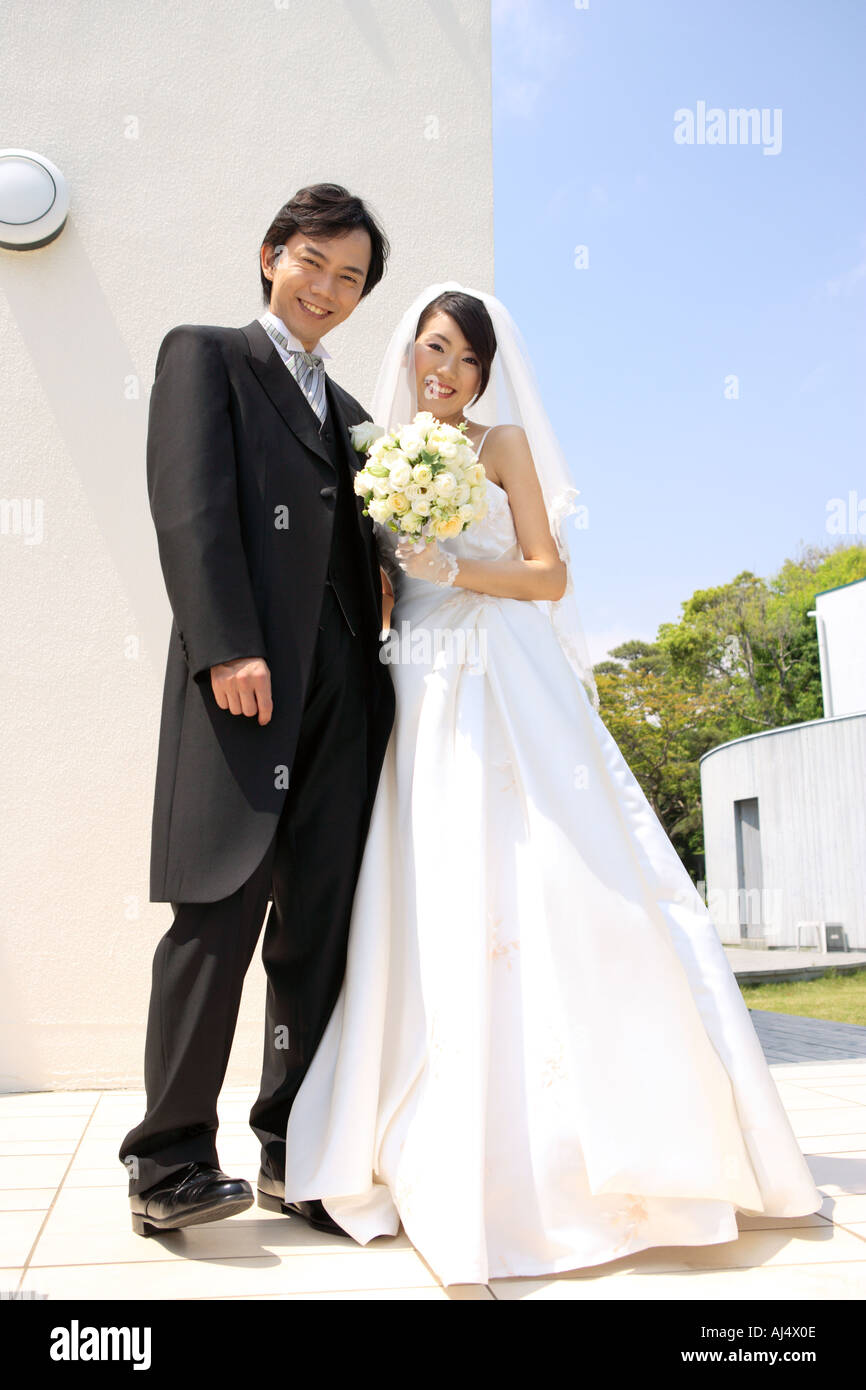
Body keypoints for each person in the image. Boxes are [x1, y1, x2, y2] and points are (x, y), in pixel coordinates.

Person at [280, 282, 824, 1286]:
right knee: (433, 879)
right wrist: (404, 575)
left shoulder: (499, 449)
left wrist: (454, 563)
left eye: (462, 359)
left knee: (551, 870)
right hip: (423, 678)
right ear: (410, 355)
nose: (441, 372)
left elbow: (547, 574)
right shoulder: (384, 454)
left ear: (485, 371)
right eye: (430, 352)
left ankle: (598, 1143)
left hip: (501, 668)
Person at [119, 184, 395, 1237]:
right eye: (314, 262)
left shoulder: (359, 416)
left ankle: (295, 1146)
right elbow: (188, 505)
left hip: (346, 691)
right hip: (245, 680)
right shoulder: (206, 355)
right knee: (216, 915)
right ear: (272, 254)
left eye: (351, 278)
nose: (328, 288)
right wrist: (227, 644)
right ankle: (168, 1160)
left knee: (317, 928)